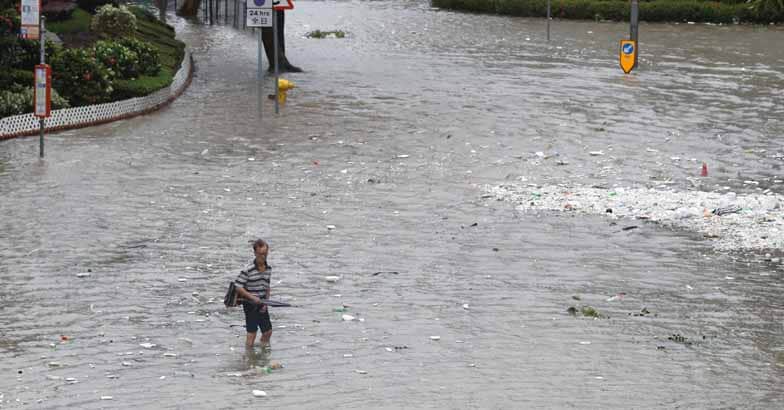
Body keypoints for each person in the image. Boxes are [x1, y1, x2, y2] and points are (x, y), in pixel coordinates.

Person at [234, 239, 273, 348]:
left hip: (263, 303)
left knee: (267, 332)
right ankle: (249, 357)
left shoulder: (268, 268)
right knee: (252, 333)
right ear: (255, 253)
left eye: (265, 254)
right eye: (261, 254)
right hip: (250, 304)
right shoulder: (248, 269)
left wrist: (266, 302)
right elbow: (237, 286)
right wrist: (252, 297)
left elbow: (267, 286)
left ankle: (262, 354)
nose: (263, 257)